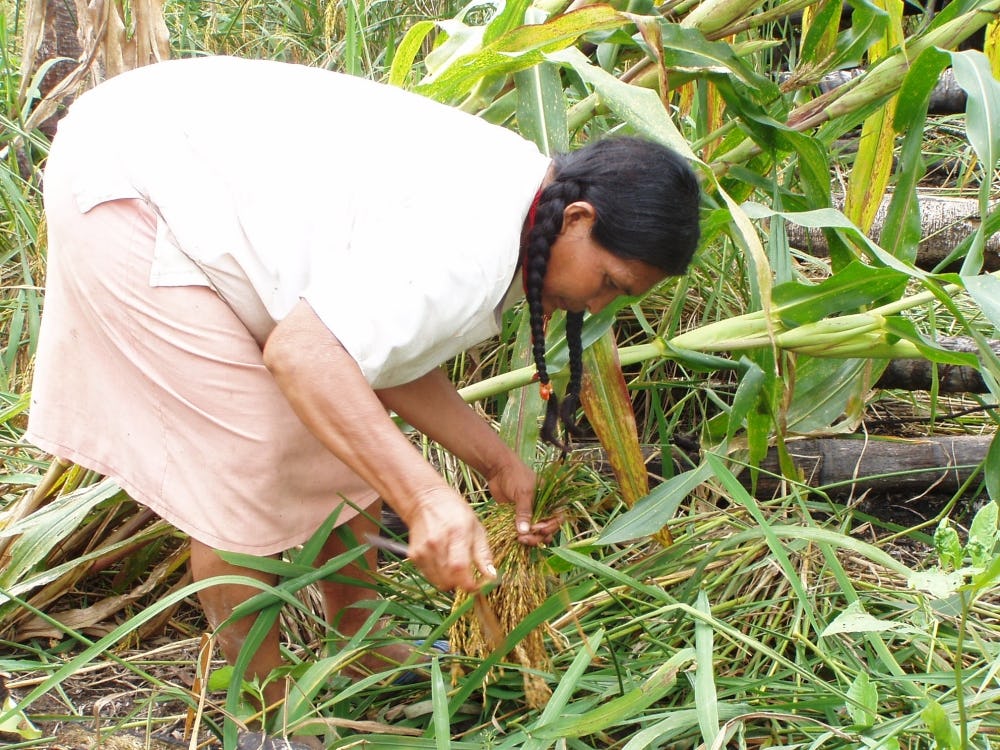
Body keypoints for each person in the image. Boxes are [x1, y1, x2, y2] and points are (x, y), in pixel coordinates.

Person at [26, 56, 701, 716]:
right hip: (133, 183)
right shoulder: (476, 241)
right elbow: (305, 355)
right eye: (607, 281)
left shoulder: (519, 205)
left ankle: (364, 647)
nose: (593, 302)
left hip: (170, 153)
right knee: (255, 458)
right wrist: (427, 497)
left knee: (340, 424)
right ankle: (262, 717)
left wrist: (497, 463)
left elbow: (376, 356)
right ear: (578, 219)